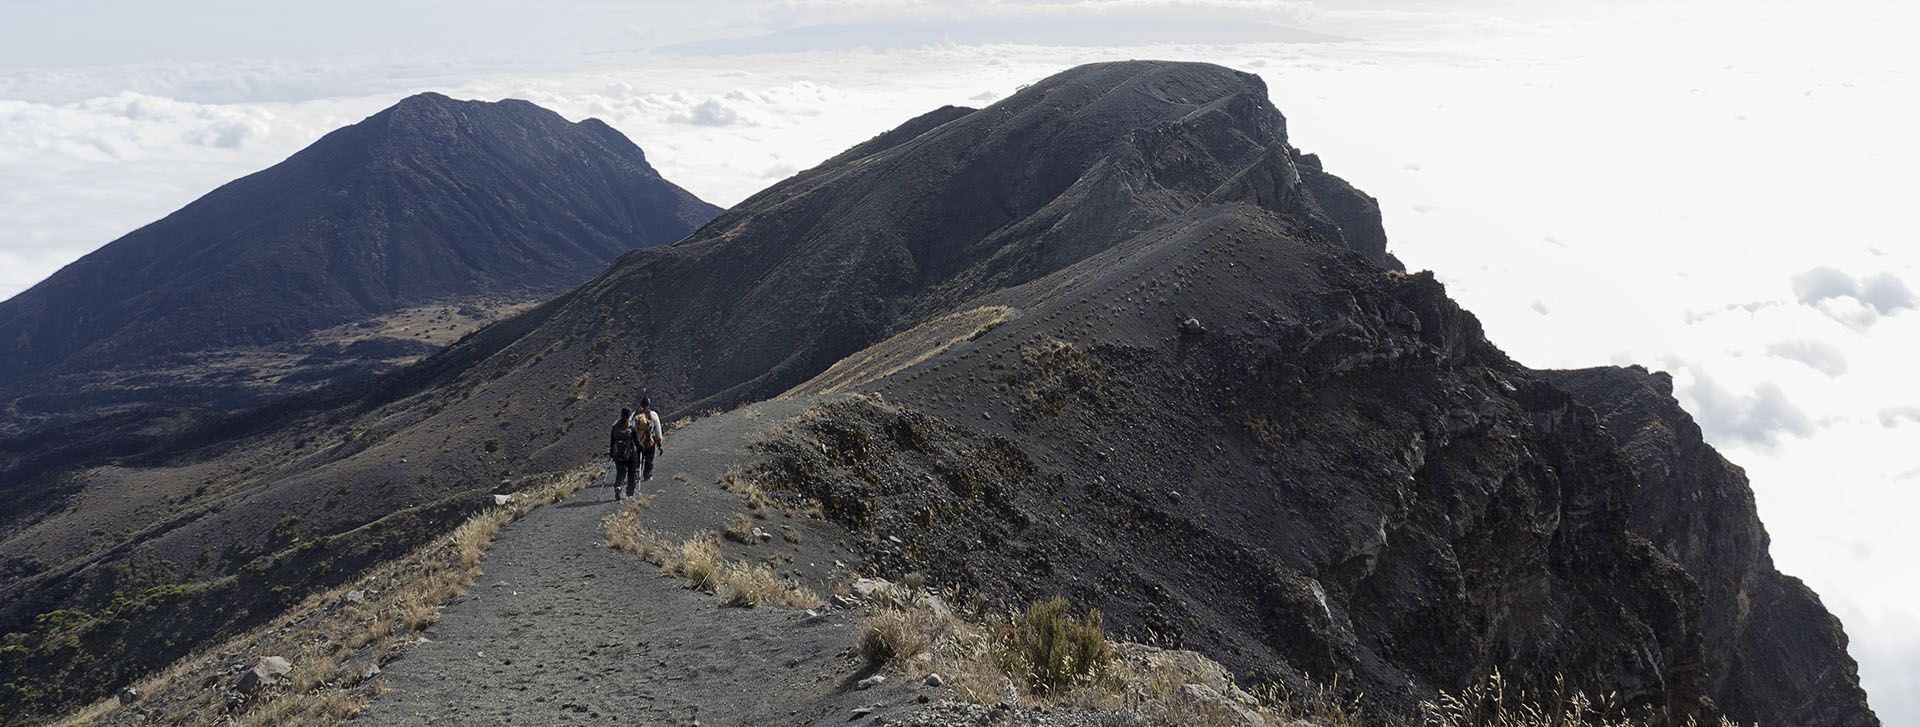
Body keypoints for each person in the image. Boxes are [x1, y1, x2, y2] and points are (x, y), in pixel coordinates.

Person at [608, 407, 643, 500]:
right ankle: (630, 493)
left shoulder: (615, 427)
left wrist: (612, 453)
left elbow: (612, 442)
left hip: (618, 455)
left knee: (620, 472)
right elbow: (637, 442)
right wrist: (642, 448)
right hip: (631, 454)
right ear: (628, 416)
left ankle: (618, 486)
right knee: (631, 473)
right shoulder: (631, 427)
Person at [631, 397, 665, 490]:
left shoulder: (635, 414)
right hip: (648, 442)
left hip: (637, 442)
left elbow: (630, 428)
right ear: (649, 405)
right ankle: (647, 475)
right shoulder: (653, 415)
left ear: (641, 404)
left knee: (637, 459)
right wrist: (659, 444)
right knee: (649, 459)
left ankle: (636, 473)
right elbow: (658, 430)